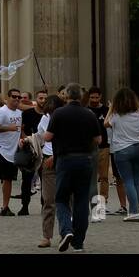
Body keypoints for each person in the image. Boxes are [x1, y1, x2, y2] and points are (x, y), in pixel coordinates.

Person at [45, 83, 102, 251]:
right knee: (82, 200)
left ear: (67, 96)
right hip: (85, 160)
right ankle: (78, 242)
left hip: (65, 160)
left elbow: (48, 137)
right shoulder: (89, 114)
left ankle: (66, 230)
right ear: (81, 96)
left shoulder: (59, 113)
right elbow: (98, 140)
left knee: (61, 198)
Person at [105, 87, 139, 222]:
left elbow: (106, 124)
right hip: (138, 148)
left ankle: (133, 211)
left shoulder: (116, 115)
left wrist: (110, 108)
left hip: (121, 150)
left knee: (127, 180)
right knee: (136, 181)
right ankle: (135, 208)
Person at [0, 90, 24, 217]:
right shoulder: (1, 111)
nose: (17, 99)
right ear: (8, 98)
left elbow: (20, 130)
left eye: (19, 97)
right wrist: (9, 128)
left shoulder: (20, 112)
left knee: (8, 179)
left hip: (13, 151)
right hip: (0, 149)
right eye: (14, 96)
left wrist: (23, 139)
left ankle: (5, 207)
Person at [35, 94, 60, 247]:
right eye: (47, 112)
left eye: (52, 112)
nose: (49, 115)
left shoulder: (65, 118)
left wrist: (56, 155)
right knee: (48, 200)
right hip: (47, 160)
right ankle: (47, 236)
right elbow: (39, 136)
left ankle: (66, 231)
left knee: (66, 199)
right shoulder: (45, 118)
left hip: (63, 159)